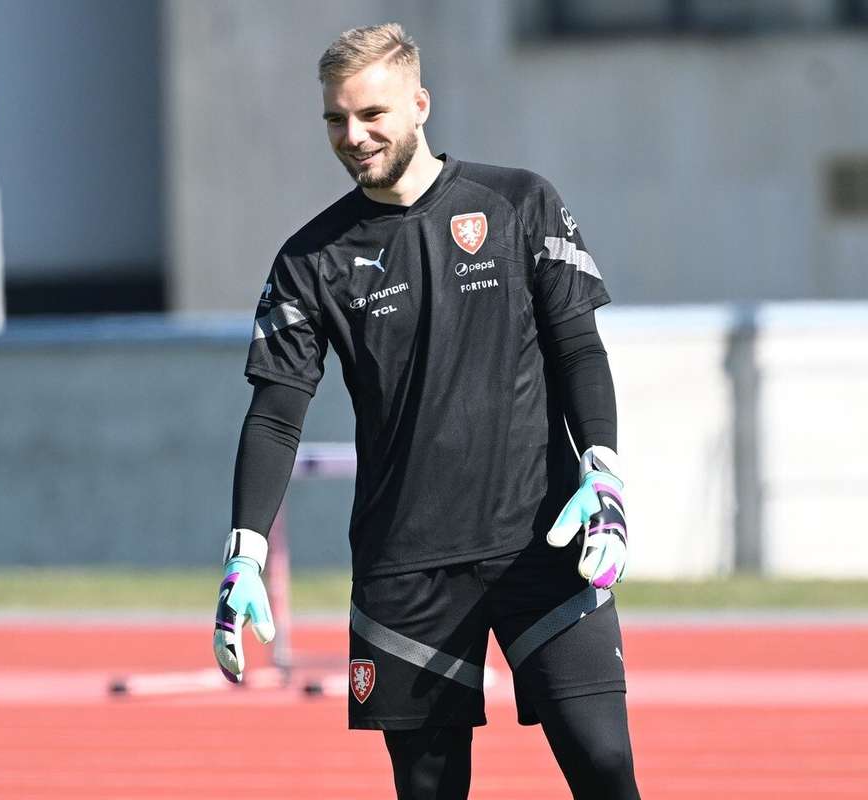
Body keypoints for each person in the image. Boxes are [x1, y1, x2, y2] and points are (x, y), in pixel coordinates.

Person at [212, 22, 640, 800]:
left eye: (372, 114)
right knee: (430, 792)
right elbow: (275, 414)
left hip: (541, 545)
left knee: (605, 765)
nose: (353, 135)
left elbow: (579, 348)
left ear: (419, 105)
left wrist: (603, 470)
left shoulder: (520, 203)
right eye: (336, 118)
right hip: (403, 566)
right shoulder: (310, 261)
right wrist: (244, 551)